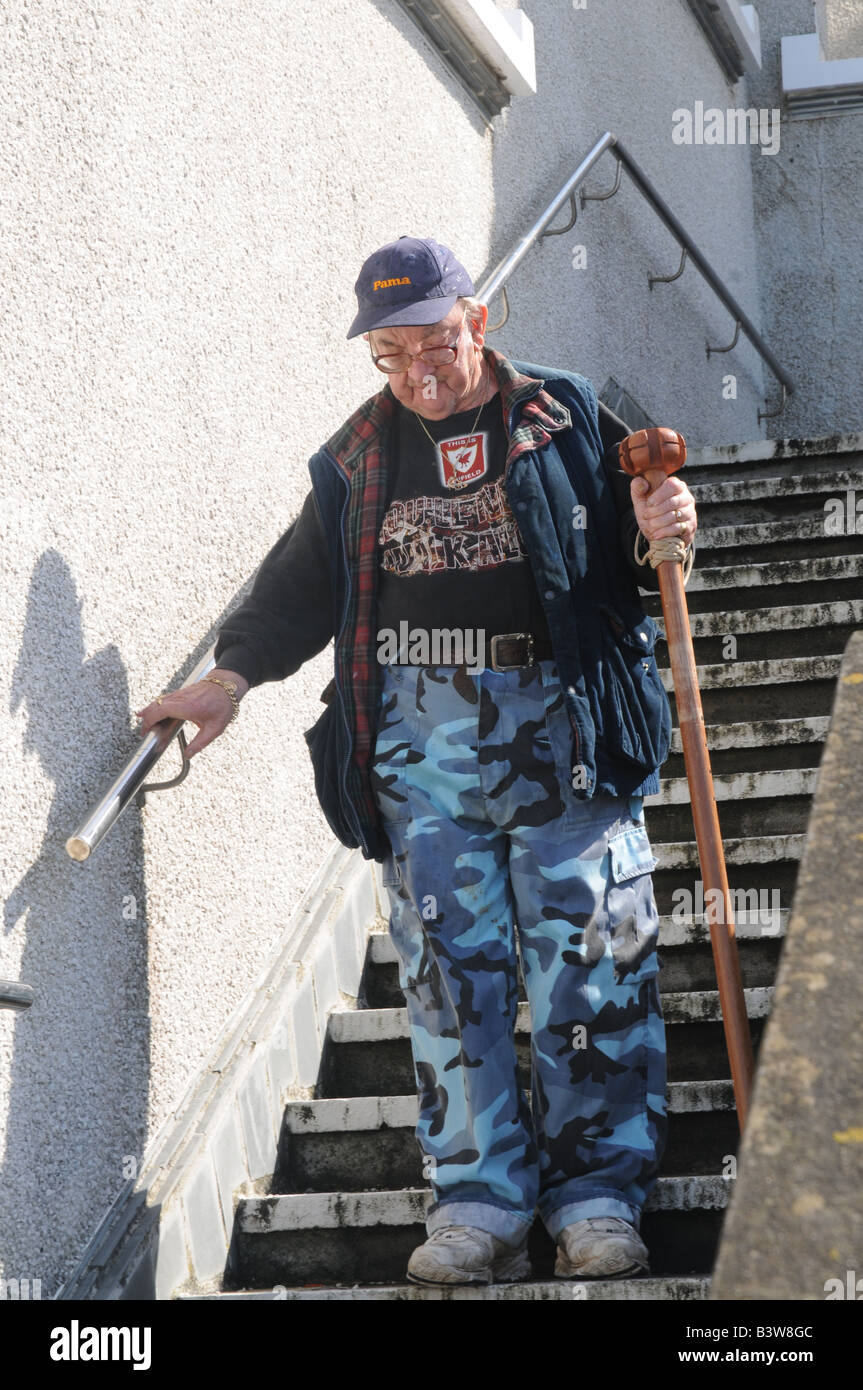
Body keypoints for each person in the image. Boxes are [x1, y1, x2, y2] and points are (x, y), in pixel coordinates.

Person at [136, 236, 698, 1288]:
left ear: (475, 320)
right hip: (421, 750)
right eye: (389, 354)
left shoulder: (564, 414)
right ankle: (480, 1200)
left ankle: (595, 1196)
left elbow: (636, 546)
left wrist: (668, 524)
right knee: (448, 981)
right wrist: (226, 683)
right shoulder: (355, 457)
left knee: (590, 967)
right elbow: (295, 588)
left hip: (565, 734)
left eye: (433, 343)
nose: (416, 373)